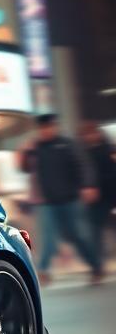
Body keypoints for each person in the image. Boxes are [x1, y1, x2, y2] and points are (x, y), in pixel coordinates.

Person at [19, 114, 103, 285]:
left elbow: (82, 165)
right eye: (42, 128)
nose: (46, 131)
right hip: (47, 202)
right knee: (49, 238)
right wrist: (25, 151)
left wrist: (88, 185)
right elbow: (25, 168)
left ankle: (96, 267)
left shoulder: (67, 144)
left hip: (70, 199)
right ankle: (43, 271)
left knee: (78, 235)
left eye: (49, 127)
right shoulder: (36, 148)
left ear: (54, 127)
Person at [79, 121, 116, 261]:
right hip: (96, 195)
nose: (90, 137)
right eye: (87, 134)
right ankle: (98, 260)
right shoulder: (83, 152)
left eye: (92, 133)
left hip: (111, 192)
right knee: (95, 228)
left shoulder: (108, 148)